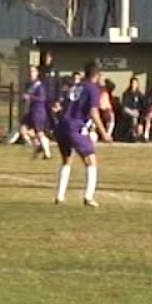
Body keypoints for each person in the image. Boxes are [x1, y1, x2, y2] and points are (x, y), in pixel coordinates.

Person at [53, 61, 112, 207]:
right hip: (75, 126)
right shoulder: (93, 89)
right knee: (91, 161)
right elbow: (93, 111)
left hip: (62, 126)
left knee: (67, 160)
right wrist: (104, 132)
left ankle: (60, 196)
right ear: (97, 75)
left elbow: (63, 105)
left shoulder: (76, 86)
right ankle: (88, 197)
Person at [18, 65, 52, 159]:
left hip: (38, 112)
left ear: (37, 73)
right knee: (23, 130)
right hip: (30, 111)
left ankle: (47, 152)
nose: (31, 73)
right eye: (29, 71)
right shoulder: (29, 85)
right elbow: (27, 96)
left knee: (39, 132)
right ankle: (39, 145)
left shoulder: (39, 86)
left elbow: (42, 98)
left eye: (33, 71)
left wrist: (30, 97)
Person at [116, 75, 147, 142]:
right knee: (133, 117)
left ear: (137, 84)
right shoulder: (126, 93)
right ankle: (133, 135)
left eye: (135, 83)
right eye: (132, 83)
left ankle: (139, 134)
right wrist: (131, 111)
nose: (134, 85)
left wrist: (139, 111)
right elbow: (124, 106)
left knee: (139, 118)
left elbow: (143, 105)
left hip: (137, 112)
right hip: (127, 112)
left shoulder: (140, 94)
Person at [98, 78, 116, 142]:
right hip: (98, 108)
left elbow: (112, 85)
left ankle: (108, 135)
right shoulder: (95, 88)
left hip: (107, 107)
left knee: (111, 120)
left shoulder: (107, 89)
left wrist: (106, 82)